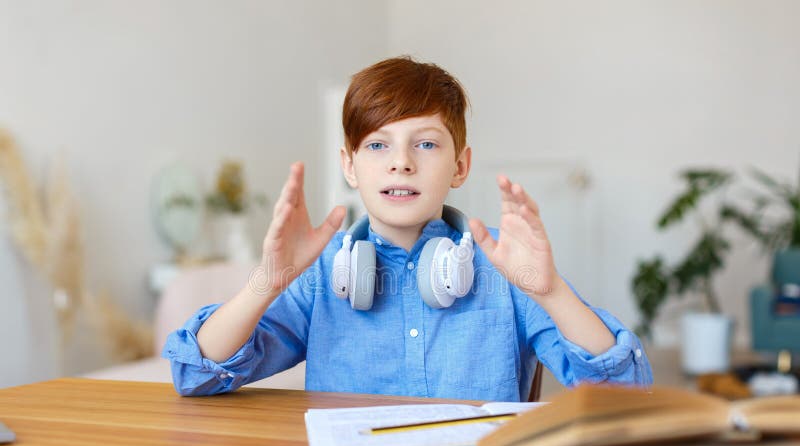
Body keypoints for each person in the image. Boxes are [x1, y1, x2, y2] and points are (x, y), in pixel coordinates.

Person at [163, 56, 652, 401]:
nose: (401, 163)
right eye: (378, 146)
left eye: (426, 145)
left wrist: (550, 292)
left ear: (460, 167)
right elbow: (195, 375)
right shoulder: (322, 271)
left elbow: (626, 392)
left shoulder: (504, 266)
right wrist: (266, 282)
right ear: (349, 168)